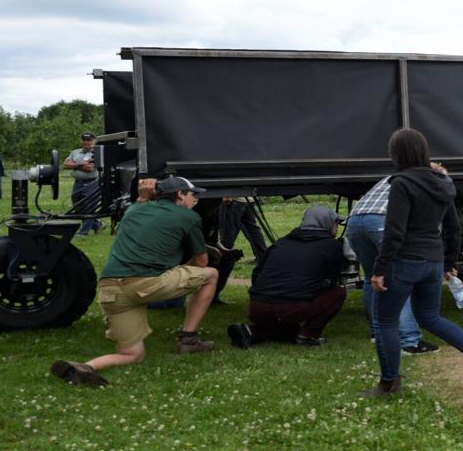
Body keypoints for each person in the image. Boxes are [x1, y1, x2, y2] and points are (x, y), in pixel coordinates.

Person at [364, 127, 463, 398]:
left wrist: (380, 269)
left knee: (385, 322)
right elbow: (454, 227)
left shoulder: (402, 183)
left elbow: (395, 231)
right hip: (432, 260)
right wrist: (448, 261)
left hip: (405, 261)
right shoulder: (442, 183)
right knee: (430, 317)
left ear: (397, 154)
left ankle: (389, 384)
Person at [49, 176, 220, 387]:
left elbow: (123, 229)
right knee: (211, 275)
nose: (196, 199)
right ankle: (188, 339)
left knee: (132, 354)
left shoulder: (134, 210)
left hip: (111, 290)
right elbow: (201, 262)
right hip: (145, 285)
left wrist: (142, 197)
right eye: (194, 194)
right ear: (180, 195)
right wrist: (183, 268)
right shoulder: (188, 216)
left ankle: (84, 367)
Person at [226, 206, 347, 347]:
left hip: (258, 306)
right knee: (338, 293)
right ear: (326, 223)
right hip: (292, 307)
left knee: (290, 329)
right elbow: (332, 279)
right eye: (336, 223)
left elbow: (257, 272)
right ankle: (307, 335)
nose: (337, 227)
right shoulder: (332, 246)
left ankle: (250, 331)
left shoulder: (281, 242)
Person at [349, 172, 436, 355]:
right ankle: (410, 341)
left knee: (371, 277)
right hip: (381, 220)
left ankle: (377, 333)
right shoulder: (426, 180)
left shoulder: (393, 176)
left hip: (355, 220)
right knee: (401, 279)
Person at [64, 132, 103, 235]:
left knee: (90, 207)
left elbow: (89, 168)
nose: (87, 142)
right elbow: (65, 165)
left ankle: (83, 233)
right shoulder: (75, 152)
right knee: (77, 206)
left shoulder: (97, 153)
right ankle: (98, 225)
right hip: (78, 183)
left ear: (94, 141)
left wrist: (74, 165)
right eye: (84, 140)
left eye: (89, 140)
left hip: (92, 183)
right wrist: (81, 163)